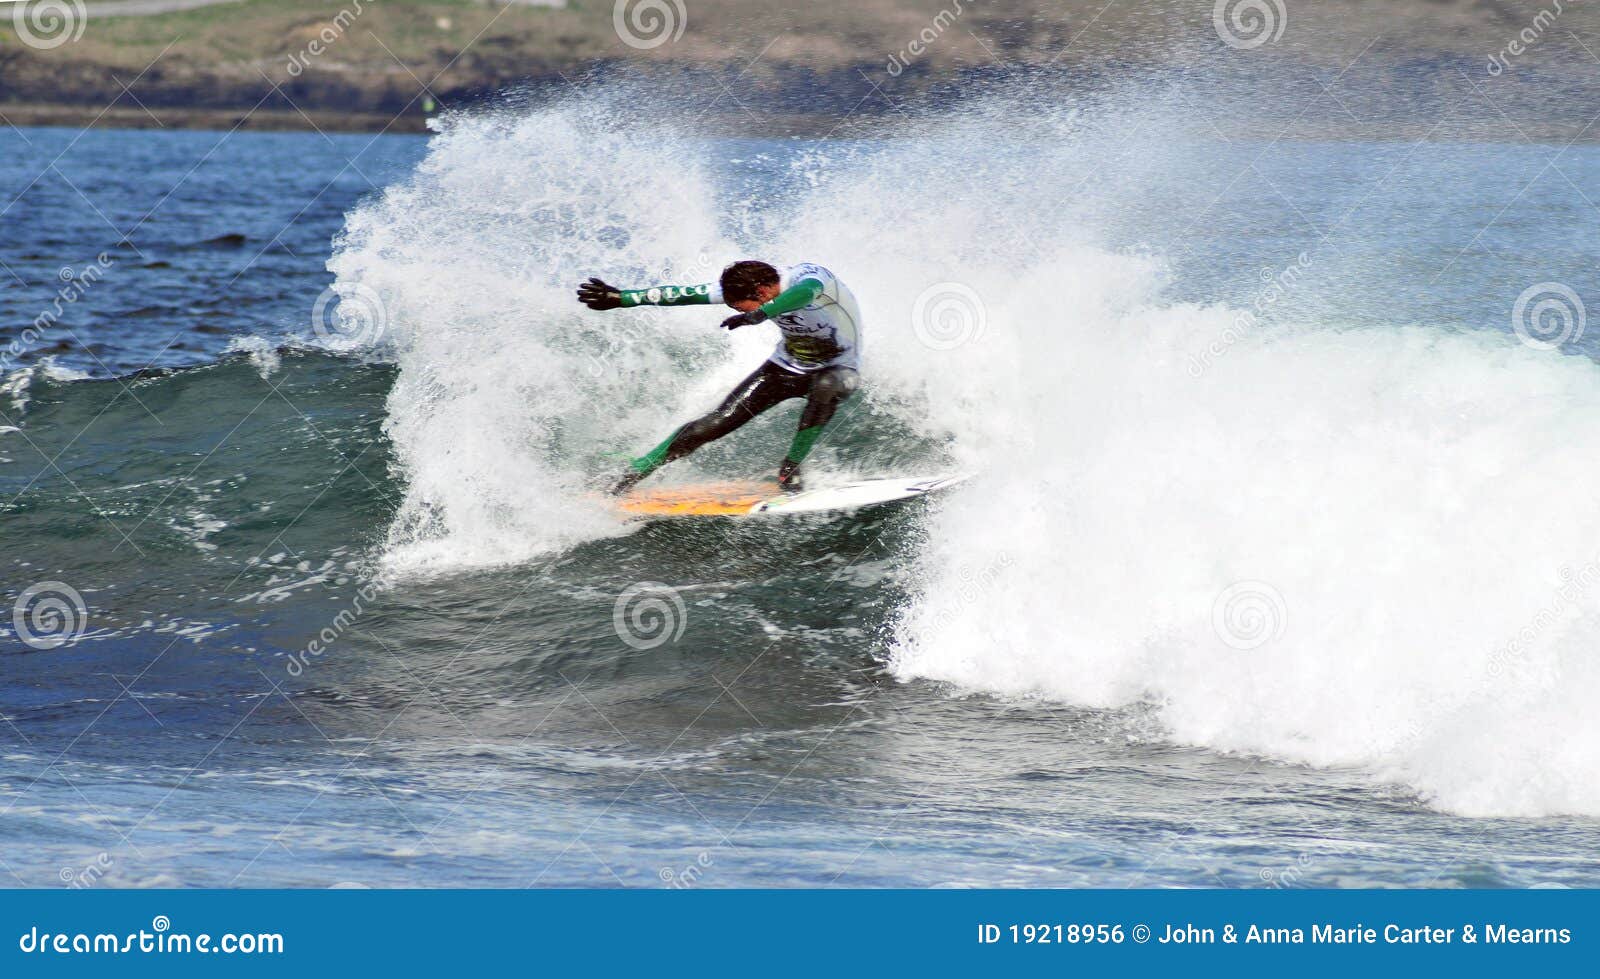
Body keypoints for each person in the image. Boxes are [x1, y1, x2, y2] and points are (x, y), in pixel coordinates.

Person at [577, 260, 863, 494]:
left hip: (840, 369)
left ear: (763, 292)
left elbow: (807, 293)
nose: (736, 310)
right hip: (785, 367)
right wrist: (623, 298)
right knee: (712, 424)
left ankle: (791, 467)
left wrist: (760, 314)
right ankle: (636, 471)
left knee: (826, 386)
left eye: (739, 307)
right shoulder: (751, 289)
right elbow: (685, 294)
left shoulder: (807, 278)